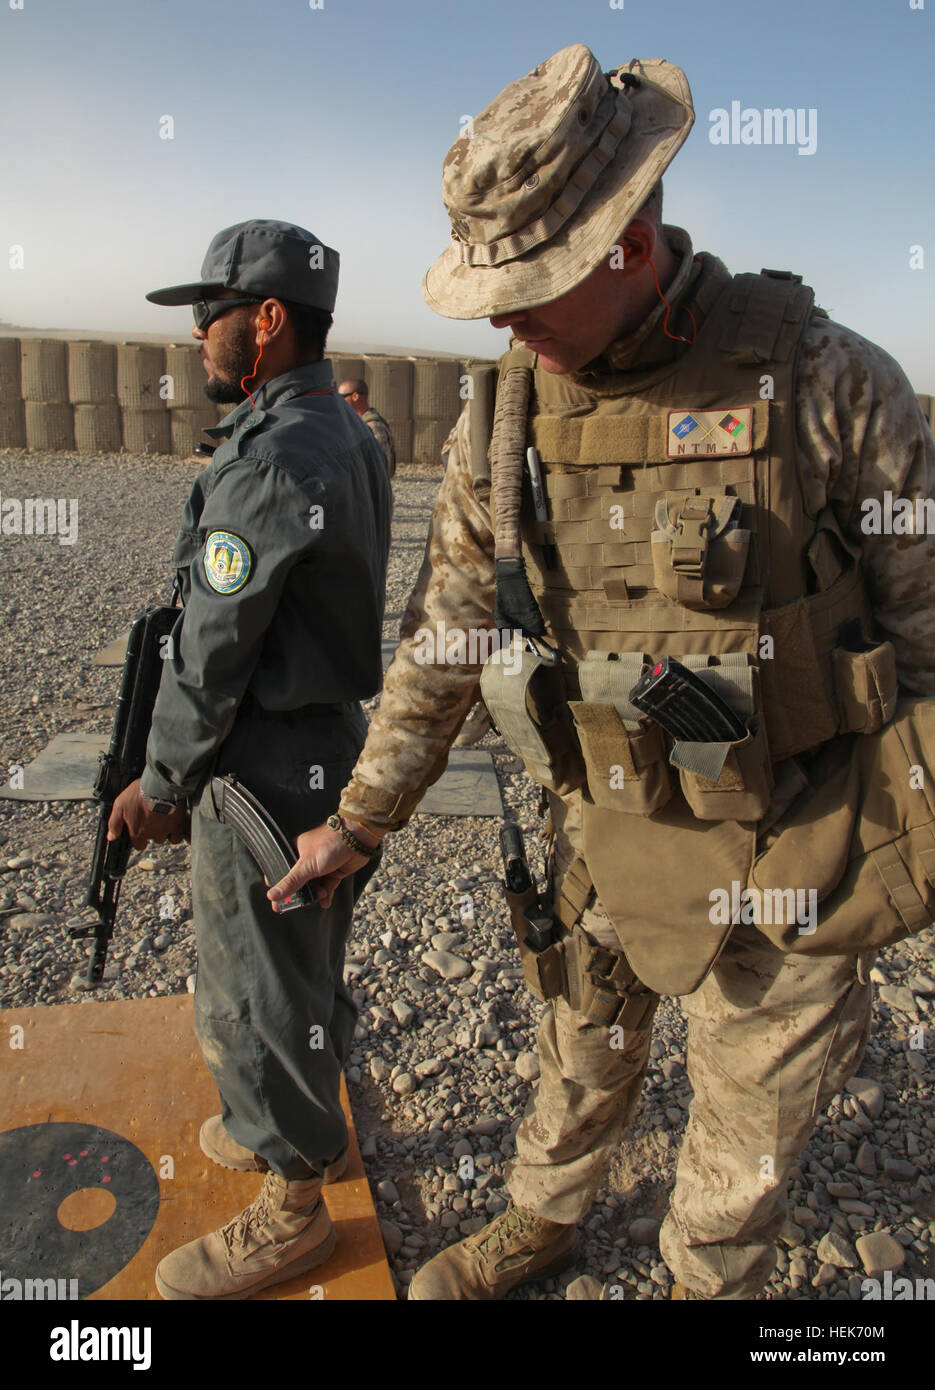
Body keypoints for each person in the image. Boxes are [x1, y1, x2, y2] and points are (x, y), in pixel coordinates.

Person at [268, 48, 935, 1302]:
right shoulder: (507, 416)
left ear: (626, 243)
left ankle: (702, 1288)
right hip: (610, 823)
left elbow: (926, 635)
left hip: (793, 835)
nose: (501, 327)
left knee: (747, 1117)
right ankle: (546, 1215)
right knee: (581, 1035)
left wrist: (894, 859)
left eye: (526, 295)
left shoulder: (830, 382)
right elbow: (448, 633)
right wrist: (361, 818)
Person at [108, 218, 392, 1300]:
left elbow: (213, 651)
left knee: (255, 983)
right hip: (324, 750)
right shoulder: (341, 427)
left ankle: (293, 1208)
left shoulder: (273, 456)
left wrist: (161, 782)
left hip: (264, 763)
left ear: (265, 321)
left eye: (210, 315)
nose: (195, 336)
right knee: (301, 969)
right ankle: (272, 1124)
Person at [338, 378, 397, 476]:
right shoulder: (358, 424)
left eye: (341, 397)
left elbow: (380, 467)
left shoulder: (374, 427)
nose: (338, 401)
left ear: (355, 396)